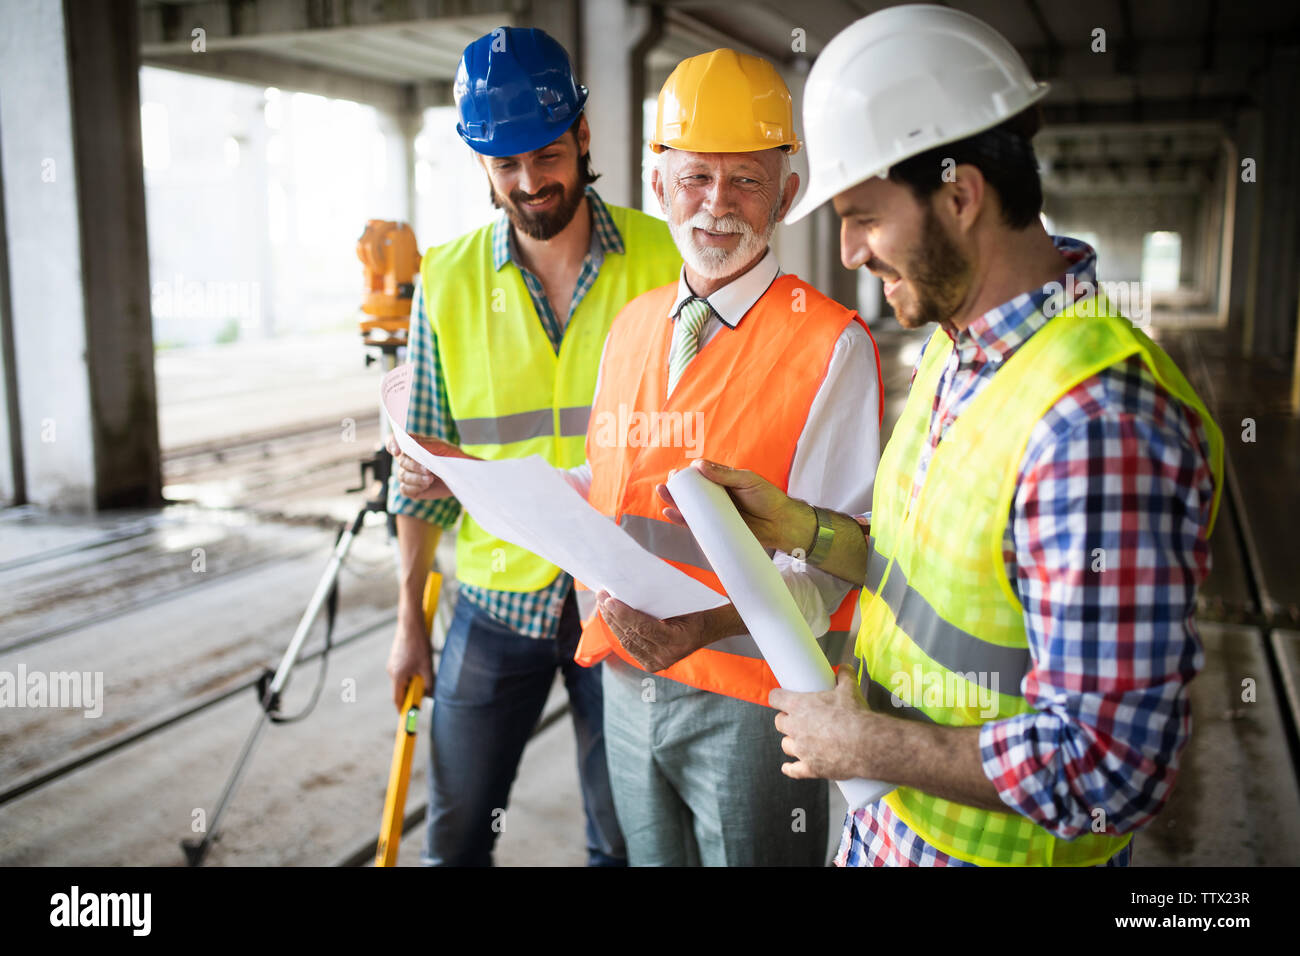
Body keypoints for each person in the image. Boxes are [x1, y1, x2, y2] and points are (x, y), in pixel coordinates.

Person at [666, 6, 1224, 867]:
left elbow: (1114, 768)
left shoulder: (1096, 424)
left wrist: (867, 746)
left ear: (961, 195)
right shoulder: (956, 349)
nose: (848, 250)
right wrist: (803, 529)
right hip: (892, 829)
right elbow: (933, 574)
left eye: (865, 217)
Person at [568, 49, 884, 866]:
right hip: (625, 682)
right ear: (658, 180)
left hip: (759, 703)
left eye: (744, 179)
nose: (716, 204)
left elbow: (848, 556)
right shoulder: (632, 325)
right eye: (695, 176)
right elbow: (610, 484)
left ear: (786, 190)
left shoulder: (830, 343)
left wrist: (703, 624)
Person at [384, 25, 681, 867]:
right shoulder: (443, 279)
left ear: (584, 138)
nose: (529, 183)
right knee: (457, 835)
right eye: (504, 165)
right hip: (491, 598)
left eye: (546, 155)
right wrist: (410, 619)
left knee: (622, 840)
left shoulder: (666, 260)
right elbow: (424, 481)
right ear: (480, 164)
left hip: (620, 598)